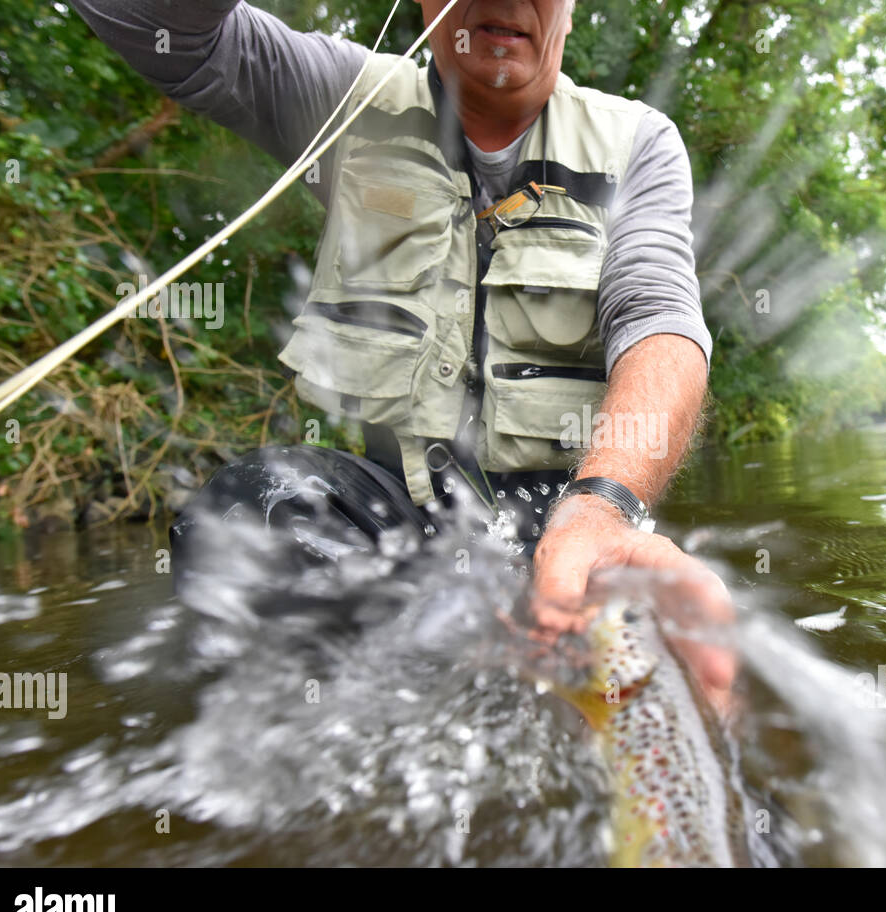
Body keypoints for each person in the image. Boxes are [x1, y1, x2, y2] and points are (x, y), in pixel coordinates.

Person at [70, 0, 735, 697]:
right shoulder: (341, 101)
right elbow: (147, 27)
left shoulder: (638, 142)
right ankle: (349, 748)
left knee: (661, 674)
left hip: (570, 521)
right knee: (245, 518)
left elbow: (660, 320)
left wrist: (601, 506)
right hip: (398, 520)